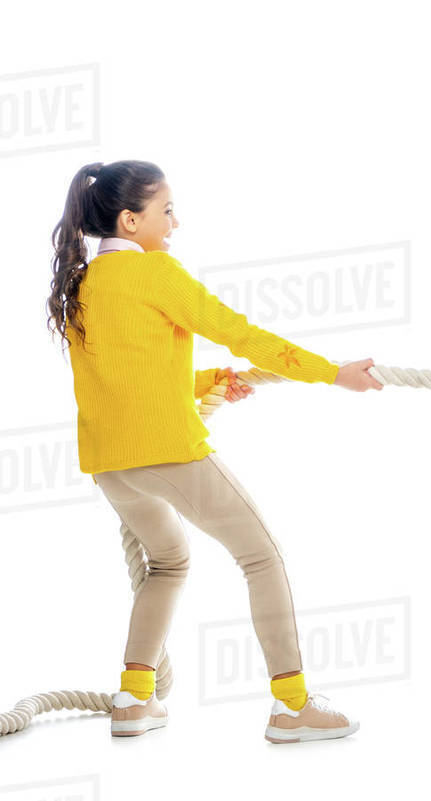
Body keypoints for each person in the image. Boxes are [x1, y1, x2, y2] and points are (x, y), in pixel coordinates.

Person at [46, 160, 385, 742]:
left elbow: (126, 376)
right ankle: (292, 705)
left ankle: (133, 699)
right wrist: (333, 373)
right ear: (131, 220)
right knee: (262, 557)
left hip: (110, 465)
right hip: (168, 453)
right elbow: (242, 332)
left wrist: (206, 383)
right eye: (166, 210)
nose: (176, 221)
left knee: (169, 564)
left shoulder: (82, 284)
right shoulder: (157, 272)